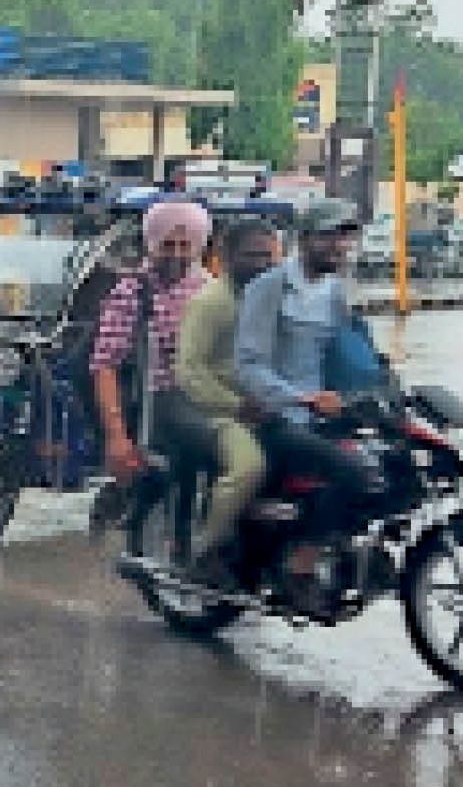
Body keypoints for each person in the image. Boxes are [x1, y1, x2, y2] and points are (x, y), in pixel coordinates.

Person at [233, 199, 391, 611]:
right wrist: (299, 397)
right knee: (352, 472)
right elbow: (248, 365)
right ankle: (300, 568)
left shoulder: (336, 291)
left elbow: (351, 354)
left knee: (392, 463)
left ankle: (355, 552)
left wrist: (386, 388)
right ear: (304, 240)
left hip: (324, 412)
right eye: (328, 235)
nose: (338, 245)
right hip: (275, 415)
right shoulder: (267, 288)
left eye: (345, 236)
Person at [173, 216, 279, 591]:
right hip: (215, 411)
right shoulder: (211, 303)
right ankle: (206, 552)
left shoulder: (269, 299)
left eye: (270, 256)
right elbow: (189, 371)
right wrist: (236, 406)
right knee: (249, 468)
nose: (264, 264)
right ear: (226, 256)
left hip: (265, 405)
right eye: (253, 256)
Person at [90, 198, 214, 500]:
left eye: (185, 245)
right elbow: (105, 364)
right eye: (167, 244)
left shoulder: (209, 287)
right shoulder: (132, 291)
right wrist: (116, 436)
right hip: (158, 397)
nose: (176, 254)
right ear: (151, 245)